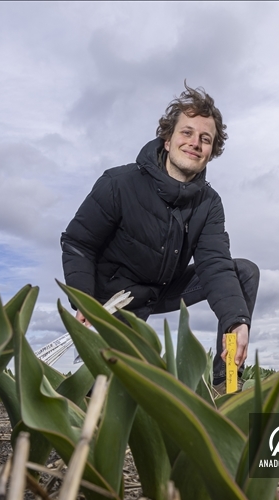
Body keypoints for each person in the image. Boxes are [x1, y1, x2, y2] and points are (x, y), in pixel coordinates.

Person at [60, 85, 259, 390]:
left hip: (165, 288)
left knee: (242, 272)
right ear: (167, 140)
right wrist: (85, 302)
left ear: (211, 151)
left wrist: (236, 320)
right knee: (106, 392)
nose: (195, 143)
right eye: (187, 133)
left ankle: (227, 385)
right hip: (114, 300)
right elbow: (79, 243)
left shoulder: (209, 203)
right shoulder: (118, 183)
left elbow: (214, 264)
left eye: (205, 139)